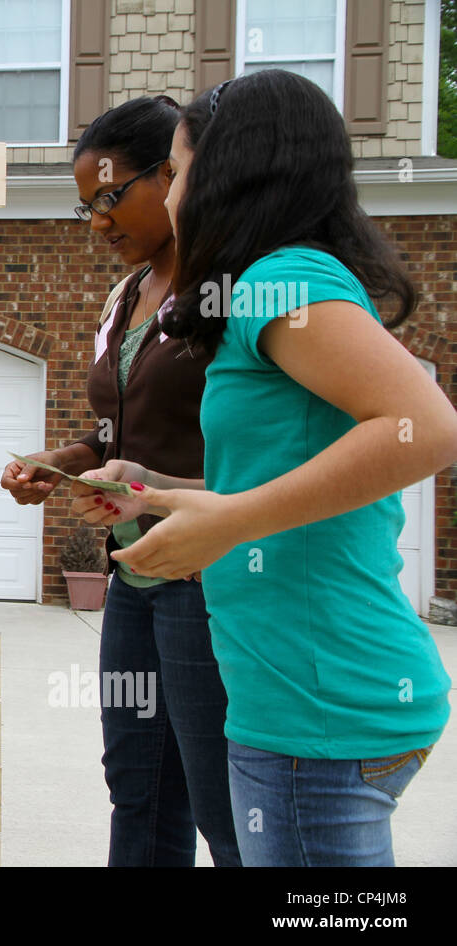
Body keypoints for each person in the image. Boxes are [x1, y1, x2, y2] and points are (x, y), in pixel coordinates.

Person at [75, 70, 455, 865]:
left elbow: (426, 428)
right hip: (293, 695)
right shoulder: (256, 287)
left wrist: (231, 522)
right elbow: (279, 478)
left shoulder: (280, 279)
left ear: (228, 168)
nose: (171, 196)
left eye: (174, 173)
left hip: (317, 701)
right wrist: (169, 491)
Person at [1, 96, 239, 866]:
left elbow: (268, 448)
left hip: (210, 572)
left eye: (110, 196)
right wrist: (61, 464)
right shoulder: (125, 296)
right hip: (133, 571)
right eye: (85, 208)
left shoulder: (234, 287)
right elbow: (115, 432)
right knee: (136, 783)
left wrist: (166, 488)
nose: (98, 220)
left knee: (221, 801)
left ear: (172, 173)